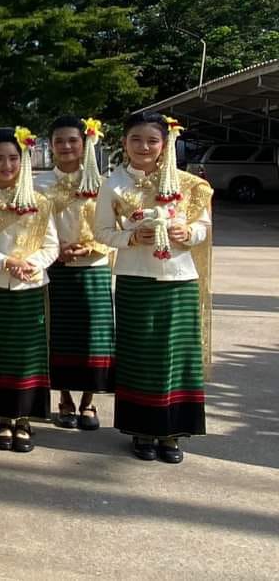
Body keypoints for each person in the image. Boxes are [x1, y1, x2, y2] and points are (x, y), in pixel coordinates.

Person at [95, 112, 212, 464]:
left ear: (164, 145)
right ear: (123, 143)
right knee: (140, 356)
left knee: (176, 357)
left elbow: (203, 226)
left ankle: (173, 432)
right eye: (135, 139)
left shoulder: (189, 184)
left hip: (180, 280)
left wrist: (187, 234)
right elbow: (101, 233)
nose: (143, 147)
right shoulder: (113, 183)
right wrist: (130, 238)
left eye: (152, 140)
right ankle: (142, 429)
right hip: (135, 280)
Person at [0, 127, 58, 454]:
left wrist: (31, 264)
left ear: (23, 160)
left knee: (28, 356)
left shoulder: (40, 201)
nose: (6, 165)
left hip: (30, 287)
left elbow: (51, 246)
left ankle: (25, 419)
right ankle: (3, 418)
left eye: (13, 158)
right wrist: (6, 263)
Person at [34, 116, 115, 431]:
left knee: (93, 337)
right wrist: (55, 252)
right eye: (59, 141)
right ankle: (64, 399)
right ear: (51, 146)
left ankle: (89, 401)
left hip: (93, 267)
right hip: (55, 268)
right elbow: (32, 228)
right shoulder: (39, 184)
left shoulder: (102, 184)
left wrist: (95, 247)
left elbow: (116, 228)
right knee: (59, 335)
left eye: (72, 140)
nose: (66, 147)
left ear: (85, 143)